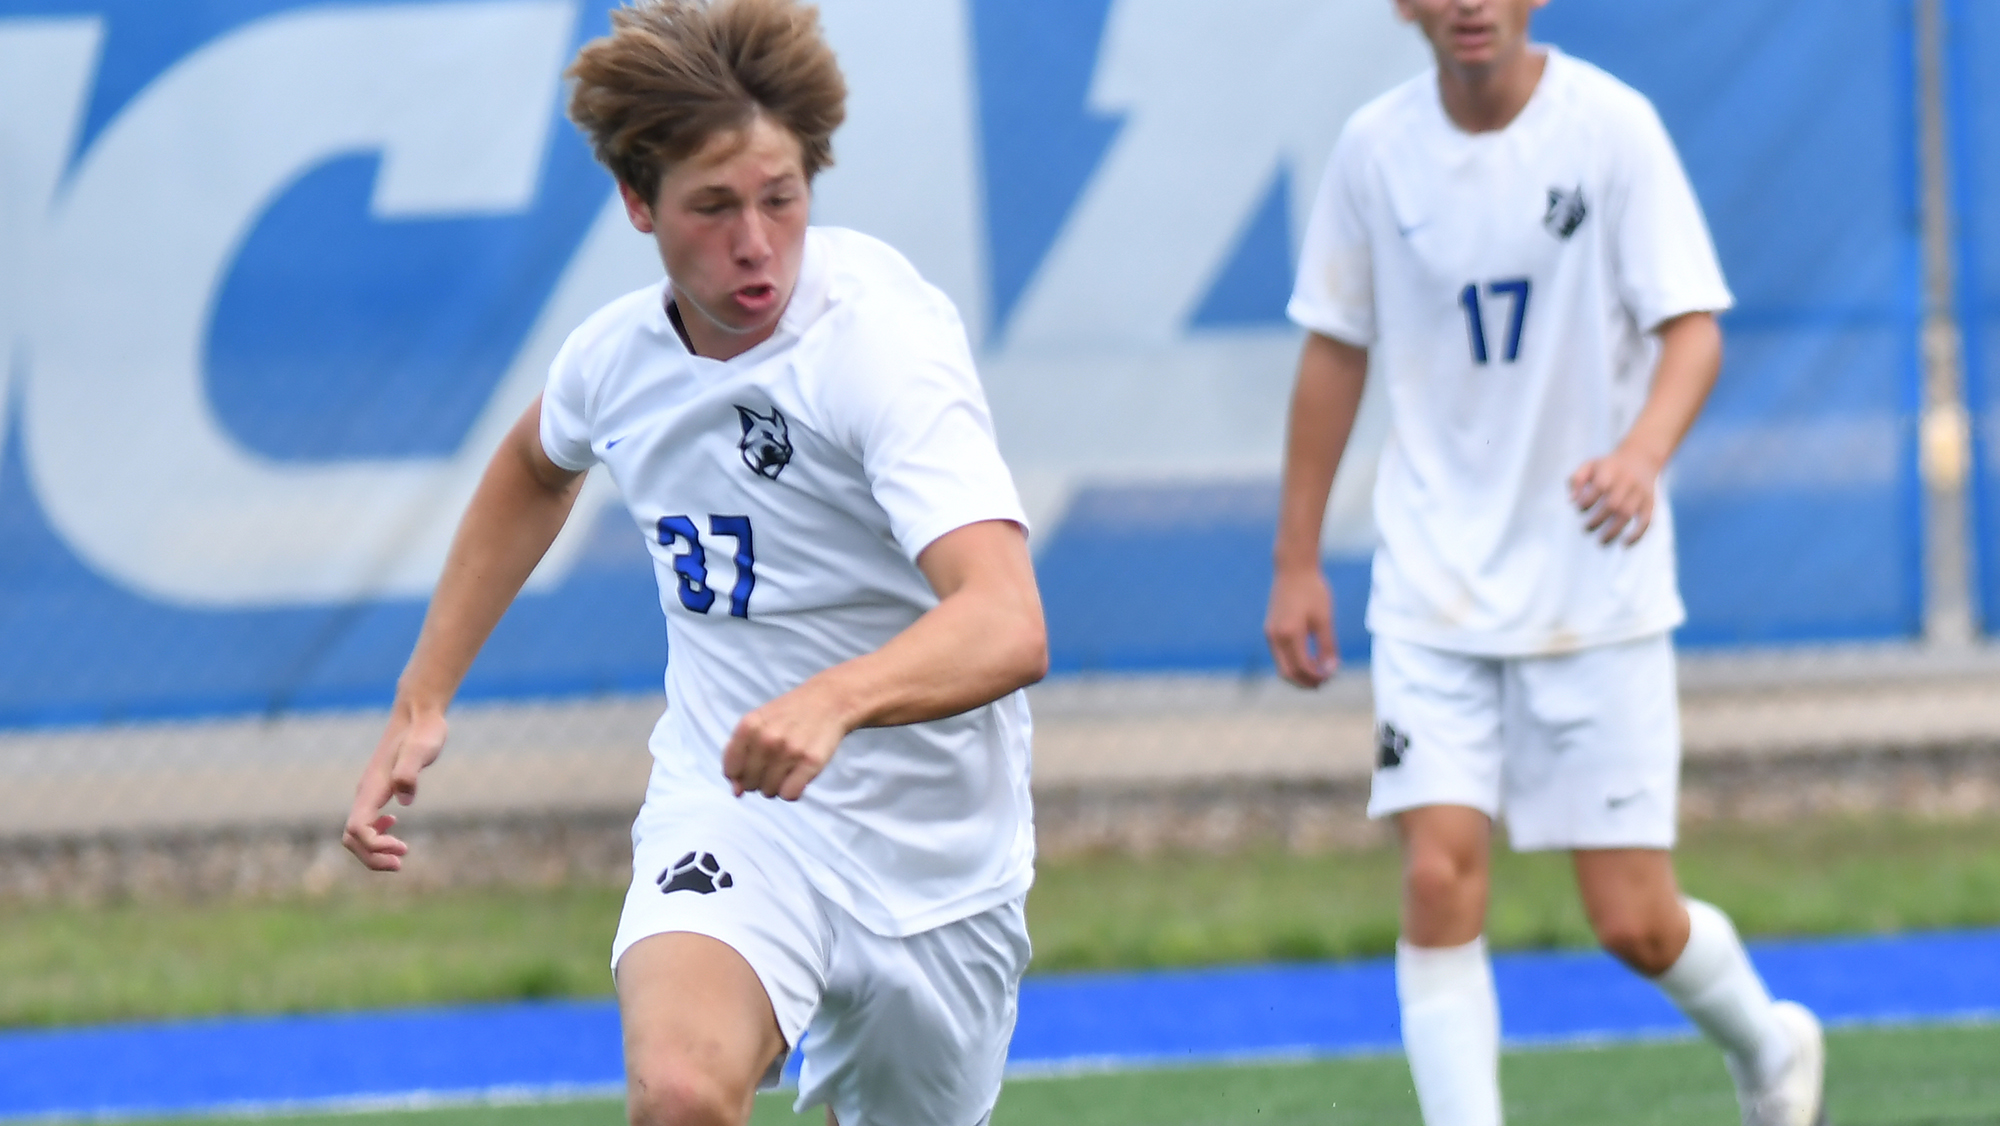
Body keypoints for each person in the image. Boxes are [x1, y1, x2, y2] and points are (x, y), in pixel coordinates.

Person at [341, 2, 1048, 1123]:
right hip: (737, 809)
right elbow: (534, 467)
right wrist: (422, 698)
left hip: (936, 859)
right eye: (713, 207)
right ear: (638, 204)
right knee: (679, 1091)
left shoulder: (877, 348)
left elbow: (1007, 620)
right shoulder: (615, 363)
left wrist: (836, 701)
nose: (756, 240)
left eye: (781, 198)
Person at [1264, 2, 1824, 1124]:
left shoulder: (1611, 129)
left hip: (1592, 589)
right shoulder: (1374, 149)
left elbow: (1693, 328)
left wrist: (1639, 453)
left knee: (1631, 920)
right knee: (1436, 876)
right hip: (1430, 586)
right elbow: (1333, 349)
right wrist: (1294, 562)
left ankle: (1770, 1046)